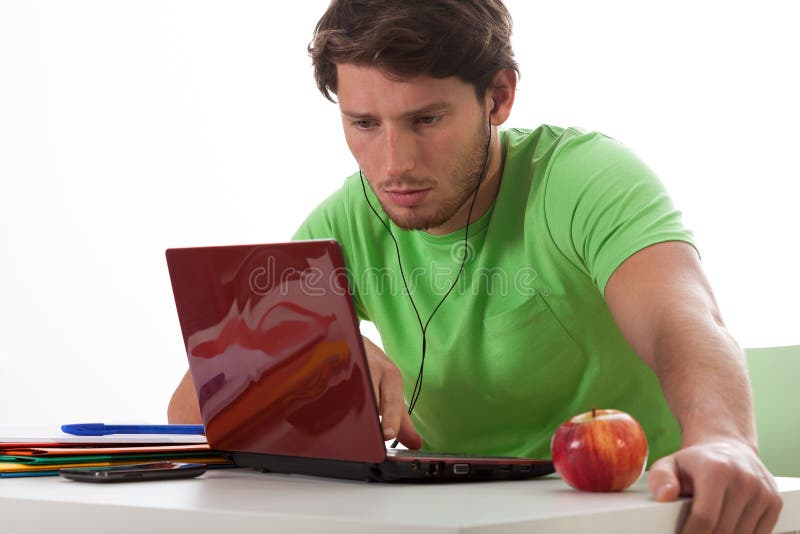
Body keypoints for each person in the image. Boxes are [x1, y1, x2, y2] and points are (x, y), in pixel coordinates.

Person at [168, 1, 782, 532]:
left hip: (624, 513)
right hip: (447, 518)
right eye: (363, 124)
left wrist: (724, 441)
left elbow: (682, 321)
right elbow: (192, 407)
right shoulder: (348, 219)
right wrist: (316, 355)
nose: (393, 164)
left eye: (425, 119)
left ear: (499, 97)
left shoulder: (582, 178)